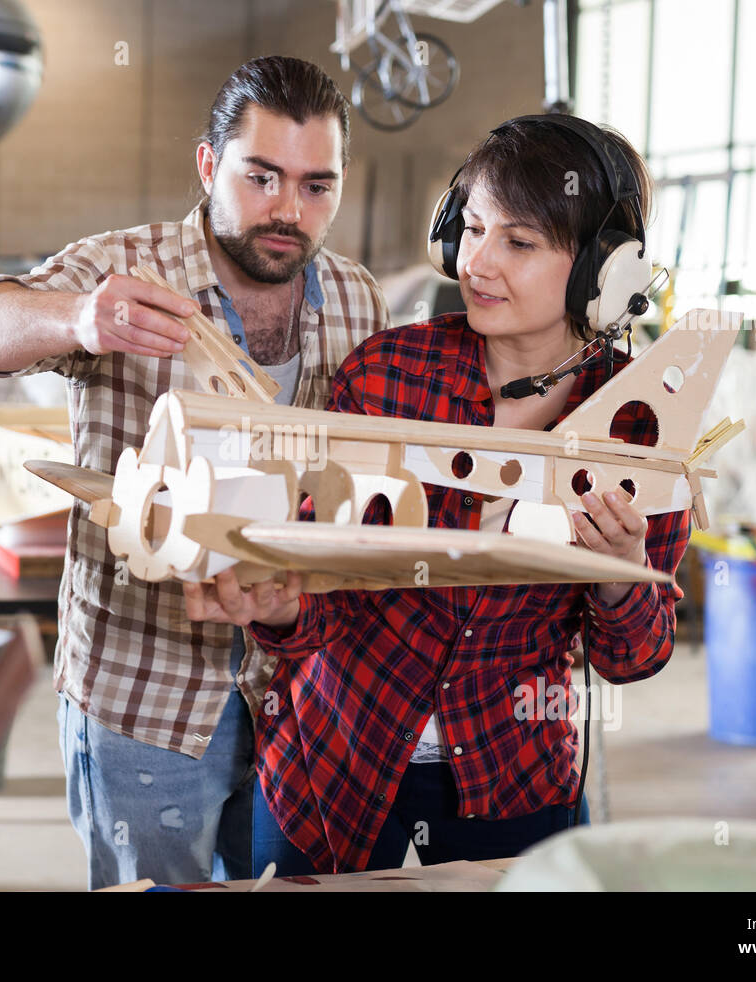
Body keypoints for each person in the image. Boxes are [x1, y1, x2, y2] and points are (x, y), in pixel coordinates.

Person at [181, 114, 691, 874]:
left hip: (513, 775)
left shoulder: (642, 422)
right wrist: (278, 603)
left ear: (603, 271)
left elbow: (633, 659)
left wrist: (622, 572)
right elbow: (321, 592)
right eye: (473, 229)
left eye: (518, 243)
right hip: (338, 766)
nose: (478, 263)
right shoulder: (389, 373)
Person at [0, 56, 390, 889]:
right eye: (262, 177)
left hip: (301, 688)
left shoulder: (359, 301)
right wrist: (79, 315)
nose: (289, 210)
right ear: (209, 164)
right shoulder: (126, 269)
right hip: (146, 688)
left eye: (317, 186)